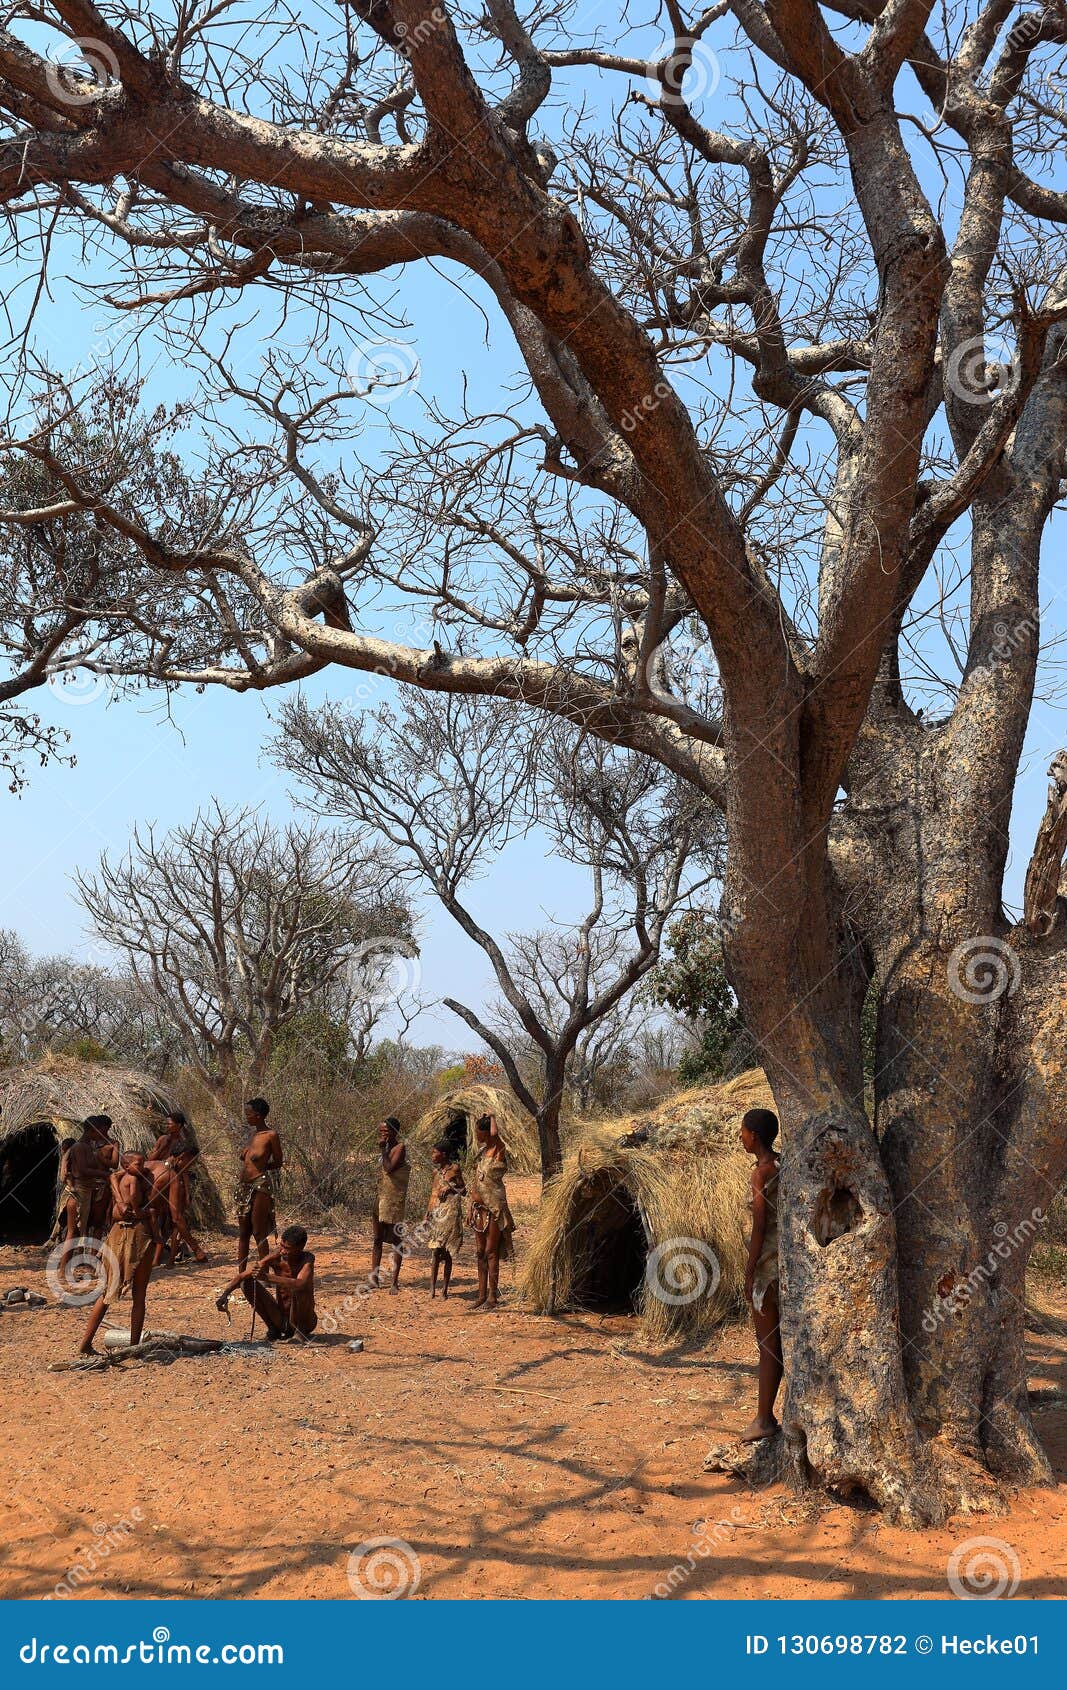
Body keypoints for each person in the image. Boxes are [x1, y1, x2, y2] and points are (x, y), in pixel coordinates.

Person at [79, 1151, 159, 1355]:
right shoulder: (134, 1179)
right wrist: (142, 1212)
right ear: (127, 1165)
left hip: (117, 1235)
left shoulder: (120, 1178)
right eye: (138, 1164)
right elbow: (133, 1196)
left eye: (142, 1164)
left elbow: (113, 1180)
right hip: (137, 1235)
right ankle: (133, 1346)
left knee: (106, 1294)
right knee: (139, 1294)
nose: (141, 1167)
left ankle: (86, 1343)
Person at [740, 1106, 784, 1442]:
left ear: (754, 1135)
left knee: (767, 1345)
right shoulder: (783, 1165)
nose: (740, 1137)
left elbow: (759, 1225)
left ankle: (764, 1419)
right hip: (790, 1267)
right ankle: (767, 1415)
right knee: (778, 1344)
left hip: (769, 1269)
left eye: (742, 1131)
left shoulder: (761, 1174)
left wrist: (749, 1269)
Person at [216, 1224, 317, 1340]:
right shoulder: (276, 1256)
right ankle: (273, 1329)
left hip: (305, 1322)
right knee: (246, 1283)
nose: (283, 1251)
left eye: (287, 1248)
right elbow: (243, 1275)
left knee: (299, 1289)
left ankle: (300, 1332)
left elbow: (300, 1283)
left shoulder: (307, 1260)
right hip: (282, 1320)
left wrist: (266, 1277)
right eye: (281, 1246)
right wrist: (225, 1294)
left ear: (300, 1248)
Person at [147, 1111, 207, 1267]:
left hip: (176, 1181)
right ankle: (160, 1255)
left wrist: (186, 1191)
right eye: (167, 1123)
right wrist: (162, 1150)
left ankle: (171, 1258)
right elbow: (149, 1161)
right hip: (160, 1178)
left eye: (170, 1123)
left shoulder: (184, 1143)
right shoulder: (163, 1140)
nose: (167, 1126)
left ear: (179, 1125)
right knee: (158, 1218)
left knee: (174, 1221)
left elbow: (184, 1170)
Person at [467, 1112, 514, 1310]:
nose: (476, 1135)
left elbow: (496, 1134)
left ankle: (493, 1297)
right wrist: (471, 1205)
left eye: (478, 1131)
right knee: (479, 1252)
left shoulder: (498, 1149)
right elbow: (477, 1183)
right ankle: (481, 1295)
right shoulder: (482, 1153)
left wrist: (493, 1116)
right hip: (479, 1209)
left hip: (494, 1208)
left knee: (490, 1252)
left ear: (486, 1132)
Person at [234, 1098, 283, 1270]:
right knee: (243, 1233)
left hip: (260, 1185)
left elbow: (278, 1162)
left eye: (249, 1114)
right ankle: (241, 1273)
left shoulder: (271, 1135)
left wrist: (261, 1168)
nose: (246, 1117)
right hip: (243, 1186)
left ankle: (264, 1273)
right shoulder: (251, 1135)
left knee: (258, 1231)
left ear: (259, 1115)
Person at [372, 1117, 409, 1290]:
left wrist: (382, 1150)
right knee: (377, 1238)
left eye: (385, 1131)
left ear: (395, 1132)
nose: (383, 1135)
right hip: (381, 1197)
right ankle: (374, 1280)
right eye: (381, 1132)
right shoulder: (387, 1147)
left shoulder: (399, 1148)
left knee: (396, 1240)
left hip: (394, 1200)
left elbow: (388, 1168)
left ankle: (394, 1282)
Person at [425, 1142, 465, 1299]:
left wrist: (450, 1188)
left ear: (444, 1154)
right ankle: (432, 1288)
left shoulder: (454, 1169)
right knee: (435, 1251)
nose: (432, 1156)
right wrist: (427, 1215)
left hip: (450, 1215)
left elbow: (463, 1190)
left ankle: (445, 1290)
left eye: (435, 1153)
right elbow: (433, 1195)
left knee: (447, 1253)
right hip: (437, 1214)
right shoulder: (436, 1172)